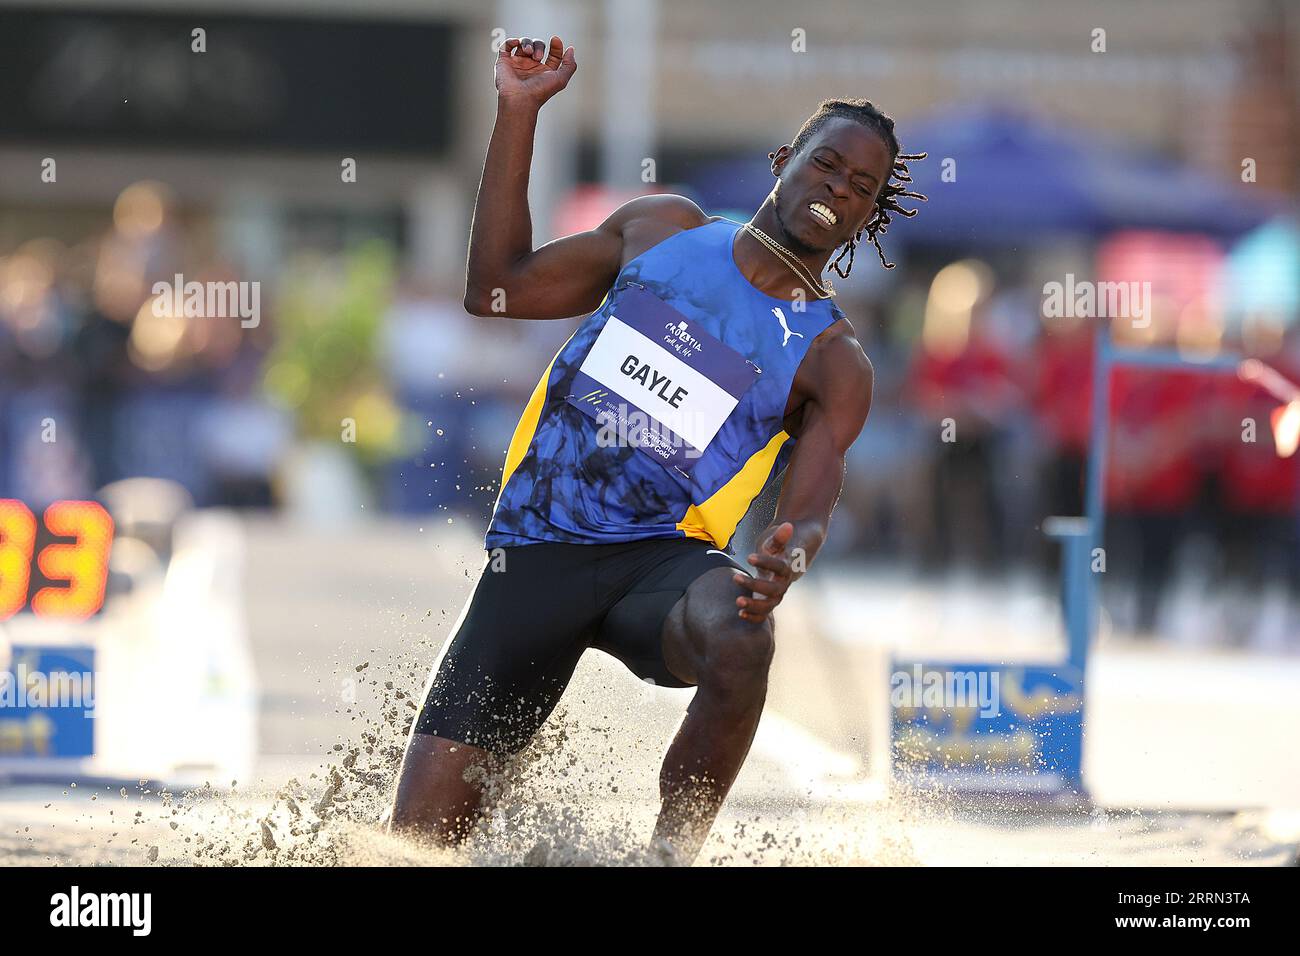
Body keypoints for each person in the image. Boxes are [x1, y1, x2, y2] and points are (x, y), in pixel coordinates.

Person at [389, 34, 924, 863]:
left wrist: (791, 554)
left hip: (658, 561)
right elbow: (494, 288)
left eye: (861, 187)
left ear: (869, 213)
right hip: (535, 553)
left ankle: (669, 856)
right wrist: (518, 112)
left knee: (744, 633)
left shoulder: (831, 359)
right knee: (419, 843)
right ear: (787, 159)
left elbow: (812, 504)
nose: (837, 191)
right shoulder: (662, 230)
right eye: (826, 165)